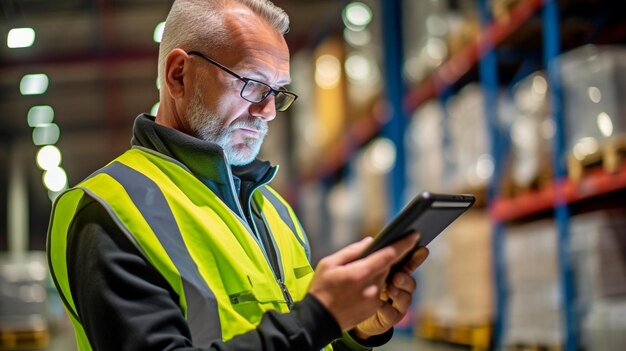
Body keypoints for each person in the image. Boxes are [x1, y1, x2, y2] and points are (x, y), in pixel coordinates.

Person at [47, 0, 429, 350]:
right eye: (252, 84)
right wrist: (320, 316)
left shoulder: (273, 208)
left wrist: (354, 329)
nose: (268, 112)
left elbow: (305, 339)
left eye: (277, 91)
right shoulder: (108, 210)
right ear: (179, 75)